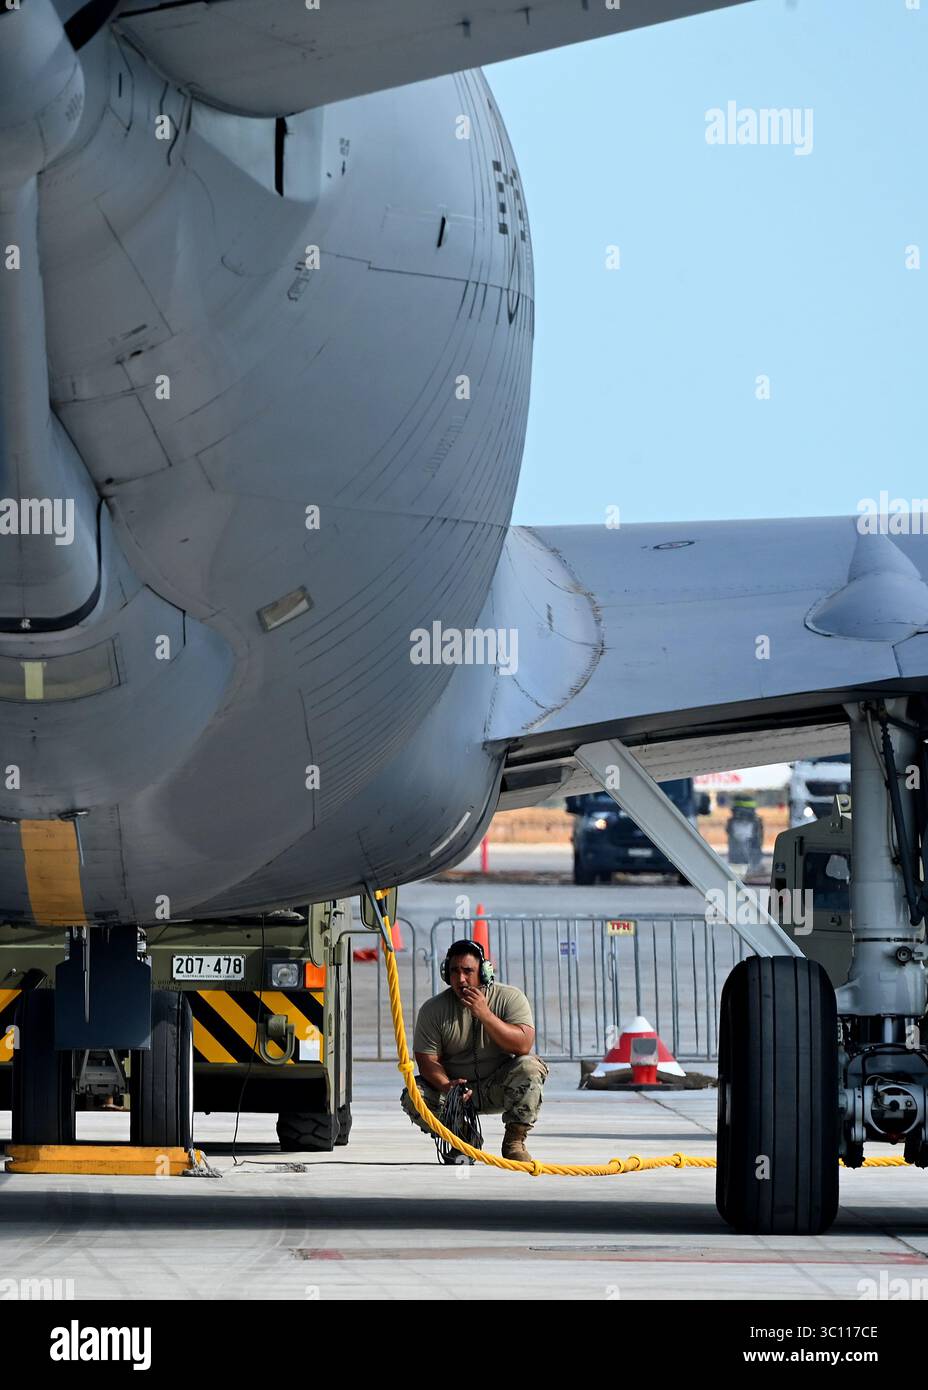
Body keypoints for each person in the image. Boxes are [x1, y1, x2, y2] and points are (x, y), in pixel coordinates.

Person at [400, 938, 548, 1162]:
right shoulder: (433, 1009)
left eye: (468, 971)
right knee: (414, 1094)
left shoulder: (510, 998)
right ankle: (464, 1138)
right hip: (455, 1092)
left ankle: (514, 1142)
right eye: (454, 971)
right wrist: (446, 1085)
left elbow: (523, 1045)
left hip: (498, 1087)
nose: (460, 979)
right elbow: (427, 1060)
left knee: (530, 1067)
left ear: (484, 972)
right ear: (446, 974)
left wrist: (485, 1015)